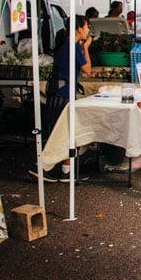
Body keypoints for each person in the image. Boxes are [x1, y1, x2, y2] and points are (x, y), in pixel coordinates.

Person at [40, 14, 92, 181]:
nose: (88, 30)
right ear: (79, 29)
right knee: (61, 132)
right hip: (62, 93)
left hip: (58, 91)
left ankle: (65, 171)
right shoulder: (74, 46)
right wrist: (86, 48)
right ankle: (44, 167)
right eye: (86, 27)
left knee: (63, 132)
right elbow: (87, 70)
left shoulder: (65, 44)